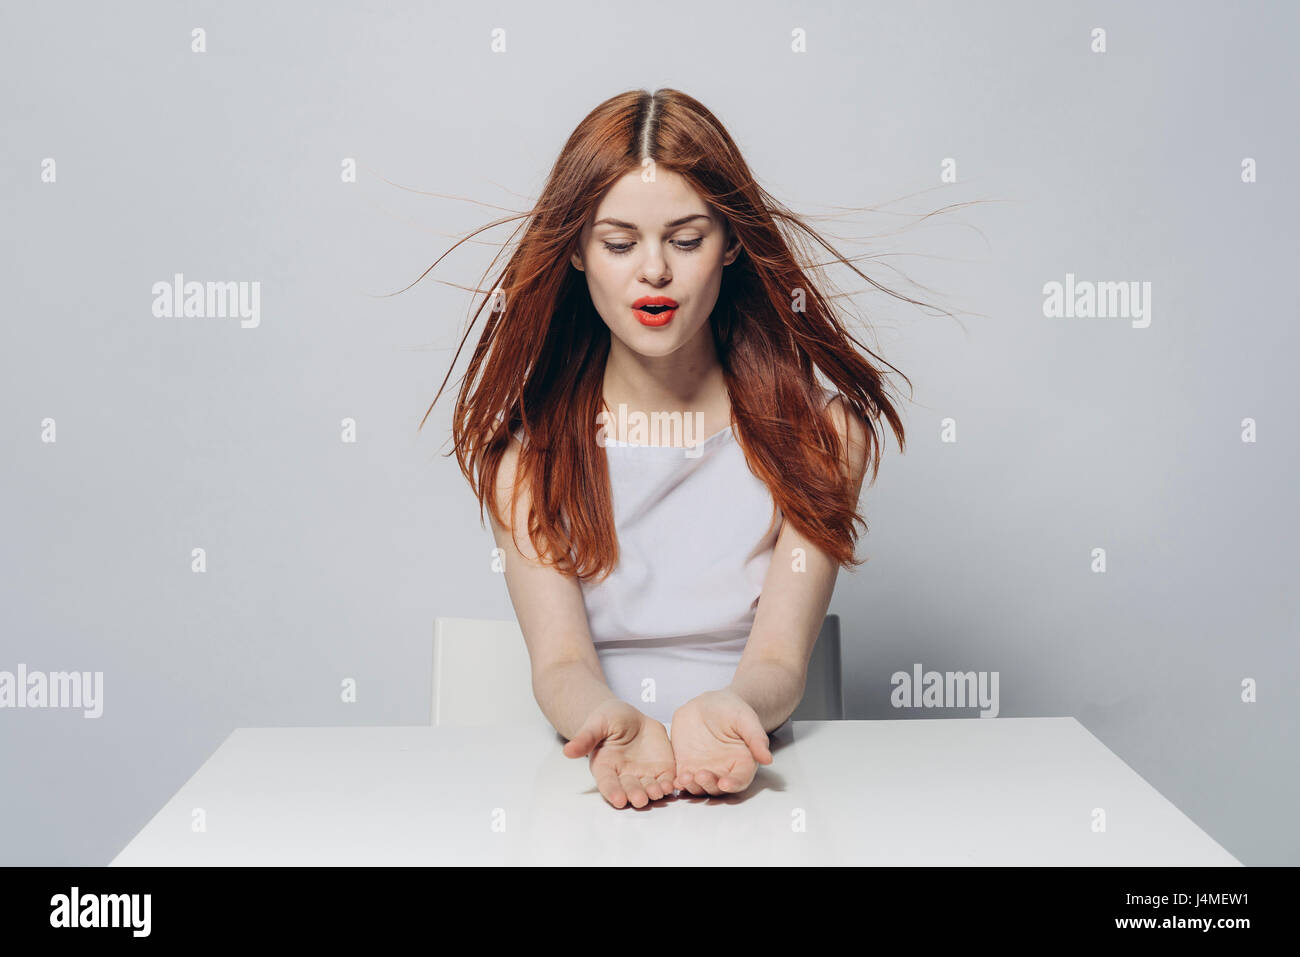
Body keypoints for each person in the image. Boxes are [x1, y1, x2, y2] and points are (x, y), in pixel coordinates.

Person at [419, 88, 917, 809]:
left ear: (733, 242)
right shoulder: (525, 459)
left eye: (687, 239)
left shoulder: (824, 438)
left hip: (758, 795)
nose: (654, 271)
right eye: (619, 243)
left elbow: (779, 655)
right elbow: (559, 661)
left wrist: (733, 710)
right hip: (588, 801)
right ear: (579, 254)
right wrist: (607, 721)